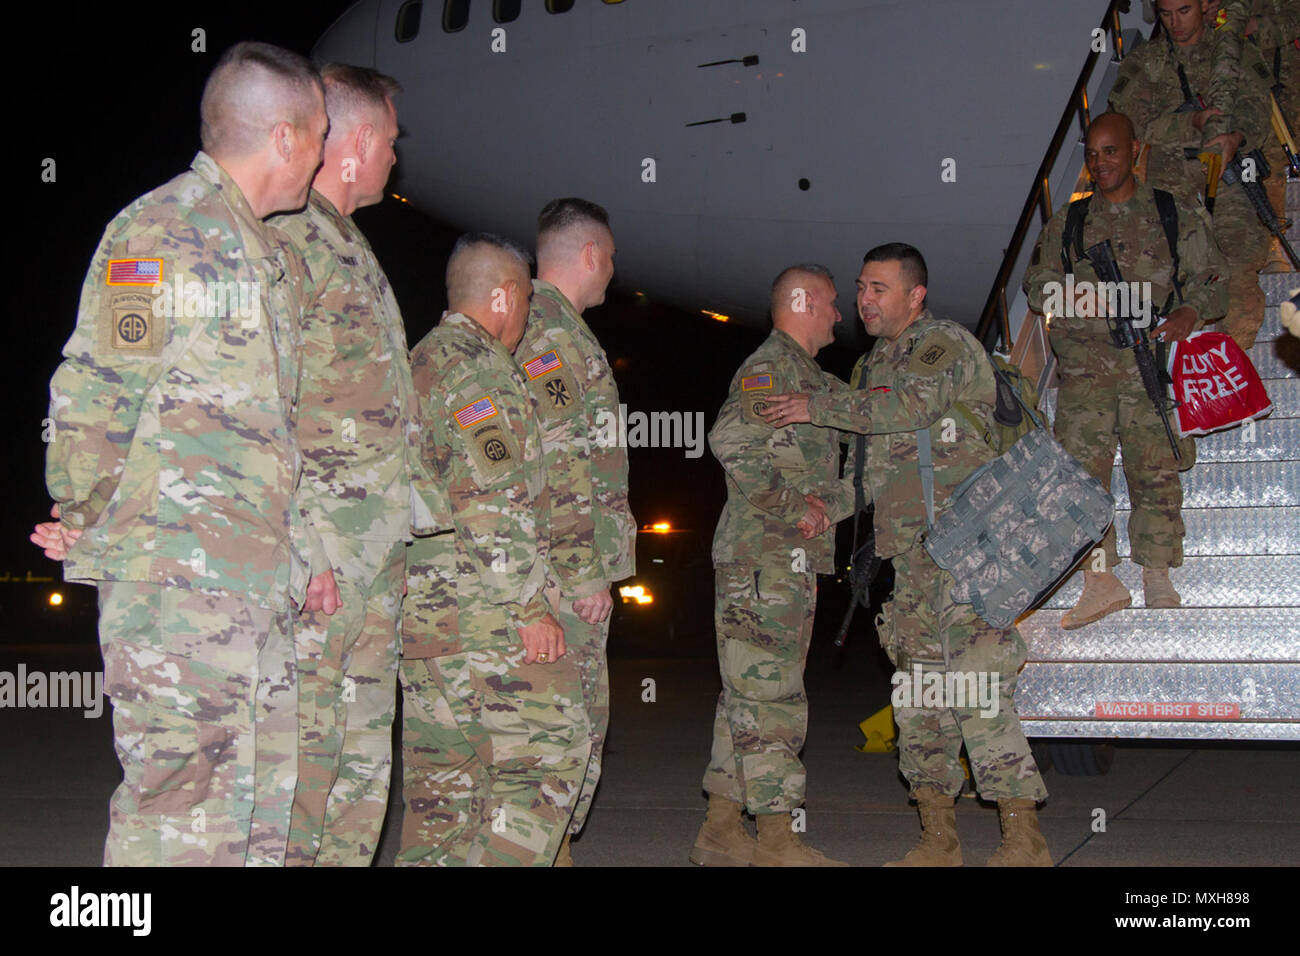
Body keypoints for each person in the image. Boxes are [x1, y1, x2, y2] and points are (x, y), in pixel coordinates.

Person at [32, 41, 328, 866]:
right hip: (175, 587)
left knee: (260, 824)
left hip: (255, 584)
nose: (324, 153)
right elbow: (94, 391)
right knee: (181, 821)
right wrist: (92, 517)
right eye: (319, 134)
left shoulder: (262, 251)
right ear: (283, 137)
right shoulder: (161, 230)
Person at [761, 244, 1051, 867]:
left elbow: (909, 409)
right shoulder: (870, 368)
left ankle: (1022, 839)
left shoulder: (940, 345)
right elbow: (868, 473)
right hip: (912, 562)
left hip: (970, 553)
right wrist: (820, 507)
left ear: (916, 296)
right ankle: (938, 839)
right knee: (919, 702)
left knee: (977, 689)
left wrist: (819, 404)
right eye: (861, 288)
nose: (864, 300)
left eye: (878, 289)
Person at [272, 64, 443, 866]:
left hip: (372, 558)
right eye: (391, 141)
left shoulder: (347, 242)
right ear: (361, 141)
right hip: (324, 559)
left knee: (360, 769)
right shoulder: (288, 238)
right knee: (303, 768)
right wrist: (303, 542)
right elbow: (263, 399)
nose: (396, 158)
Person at [398, 234, 590, 866]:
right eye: (528, 301)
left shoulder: (419, 361)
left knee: (444, 794)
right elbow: (492, 503)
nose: (530, 316)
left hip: (425, 616)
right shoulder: (482, 370)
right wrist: (531, 608)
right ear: (505, 295)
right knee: (552, 756)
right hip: (484, 612)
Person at [1023, 111, 1228, 625]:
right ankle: (1099, 579)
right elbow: (1036, 285)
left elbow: (1213, 279)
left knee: (1154, 473)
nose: (1099, 162)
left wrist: (1188, 311)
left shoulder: (1171, 211)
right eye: (1092, 154)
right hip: (1085, 377)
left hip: (1148, 367)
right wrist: (1077, 294)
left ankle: (1156, 573)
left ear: (1135, 150)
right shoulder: (1069, 221)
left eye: (1110, 151)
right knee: (1080, 480)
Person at [691, 264, 852, 867]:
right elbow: (731, 439)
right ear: (804, 302)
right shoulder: (772, 368)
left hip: (779, 560)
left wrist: (819, 509)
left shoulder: (806, 376)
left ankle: (720, 829)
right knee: (772, 696)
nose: (840, 315)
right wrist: (793, 508)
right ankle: (777, 841)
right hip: (763, 558)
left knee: (749, 692)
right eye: (833, 303)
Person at [514, 198, 635, 866]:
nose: (613, 272)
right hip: (564, 578)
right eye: (611, 257)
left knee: (563, 732)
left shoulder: (550, 328)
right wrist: (586, 572)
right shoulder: (551, 337)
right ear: (590, 254)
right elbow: (559, 457)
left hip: (560, 568)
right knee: (562, 731)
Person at [1110, 0, 1277, 348]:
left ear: (1204, 5)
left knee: (1239, 261)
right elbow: (1130, 123)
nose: (1175, 22)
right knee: (1173, 273)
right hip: (1172, 181)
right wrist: (1190, 123)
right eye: (1166, 14)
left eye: (1184, 10)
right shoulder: (1146, 61)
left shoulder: (1232, 53)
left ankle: (1233, 360)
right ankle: (1183, 361)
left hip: (1230, 174)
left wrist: (1236, 136)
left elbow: (1257, 106)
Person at [1204, 0, 1300, 274]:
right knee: (1252, 167)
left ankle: (1270, 247)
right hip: (1233, 85)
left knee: (1273, 165)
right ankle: (1259, 248)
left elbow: (1294, 18)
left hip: (1281, 86)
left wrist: (1252, 27)